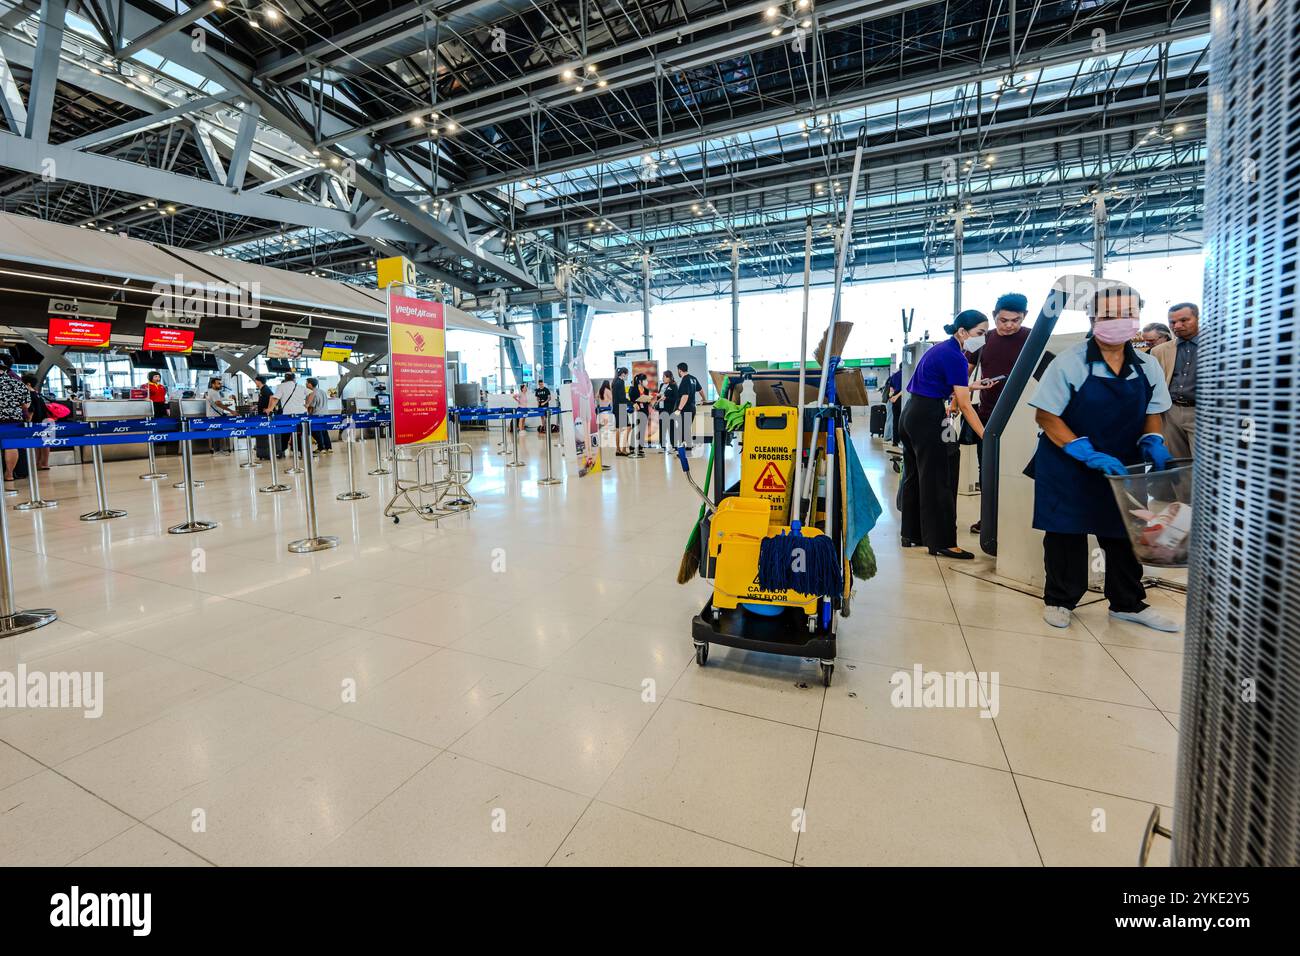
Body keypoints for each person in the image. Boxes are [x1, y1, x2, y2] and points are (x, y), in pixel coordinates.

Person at [1029, 283, 1179, 633]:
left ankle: (1128, 603)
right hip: (1067, 461)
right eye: (1109, 315)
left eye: (1127, 314)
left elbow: (1153, 411)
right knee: (1066, 532)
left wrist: (1153, 439)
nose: (1118, 321)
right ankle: (1061, 600)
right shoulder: (1070, 361)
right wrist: (1084, 451)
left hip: (1123, 464)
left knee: (1124, 533)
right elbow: (1047, 416)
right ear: (1093, 318)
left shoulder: (1146, 365)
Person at [898, 309, 990, 559]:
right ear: (962, 331)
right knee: (941, 477)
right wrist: (987, 436)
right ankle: (943, 542)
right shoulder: (956, 356)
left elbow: (940, 382)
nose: (982, 338)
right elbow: (965, 404)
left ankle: (912, 533)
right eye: (979, 333)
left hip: (910, 415)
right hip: (929, 417)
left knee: (916, 475)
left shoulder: (940, 349)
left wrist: (973, 384)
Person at [968, 292, 1032, 533]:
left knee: (1018, 471)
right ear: (994, 317)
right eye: (1003, 320)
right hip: (988, 416)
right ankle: (989, 520)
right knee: (988, 471)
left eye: (1015, 320)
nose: (1009, 325)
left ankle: (1017, 519)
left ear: (1024, 317)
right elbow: (965, 370)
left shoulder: (1033, 337)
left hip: (1024, 417)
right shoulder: (984, 340)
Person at [1151, 302, 1198, 460]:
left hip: (1203, 413)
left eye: (1184, 320)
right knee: (1176, 465)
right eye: (1172, 322)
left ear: (1198, 319)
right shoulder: (1159, 351)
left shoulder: (1218, 345)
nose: (1177, 325)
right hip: (1170, 413)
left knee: (1204, 466)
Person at [0, 365, 30, 483]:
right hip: (13, 418)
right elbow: (26, 405)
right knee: (11, 445)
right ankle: (9, 474)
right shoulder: (17, 383)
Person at [274, 372, 307, 457]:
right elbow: (312, 393)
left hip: (287, 414)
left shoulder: (281, 386)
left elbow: (274, 398)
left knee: (285, 432)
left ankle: (281, 450)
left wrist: (270, 409)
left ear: (285, 379)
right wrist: (307, 404)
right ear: (294, 378)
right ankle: (302, 451)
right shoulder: (301, 387)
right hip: (300, 413)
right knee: (300, 433)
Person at [675, 361, 703, 448]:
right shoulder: (693, 378)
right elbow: (701, 390)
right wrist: (704, 399)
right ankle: (688, 445)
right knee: (687, 428)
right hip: (692, 407)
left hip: (685, 408)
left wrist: (679, 409)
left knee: (683, 429)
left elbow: (685, 396)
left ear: (680, 370)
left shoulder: (685, 380)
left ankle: (684, 448)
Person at [204, 376, 234, 454]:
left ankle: (217, 449)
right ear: (213, 384)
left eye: (220, 383)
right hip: (215, 416)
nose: (220, 385)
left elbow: (216, 404)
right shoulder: (214, 392)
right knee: (217, 433)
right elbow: (218, 404)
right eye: (218, 384)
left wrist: (225, 406)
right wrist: (231, 410)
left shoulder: (211, 391)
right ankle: (218, 450)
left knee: (217, 432)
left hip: (213, 415)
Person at [254, 373, 279, 460]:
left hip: (265, 415)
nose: (255, 382)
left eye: (255, 381)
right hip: (262, 414)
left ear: (259, 381)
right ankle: (264, 451)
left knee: (266, 432)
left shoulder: (265, 388)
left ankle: (268, 451)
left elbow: (271, 396)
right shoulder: (262, 389)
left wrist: (269, 409)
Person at [305, 377, 332, 452]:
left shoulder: (312, 393)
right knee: (324, 431)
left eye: (307, 383)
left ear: (310, 384)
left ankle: (321, 447)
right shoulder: (322, 391)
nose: (306, 384)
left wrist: (309, 415)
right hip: (325, 413)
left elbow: (311, 407)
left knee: (316, 431)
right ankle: (328, 447)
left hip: (316, 415)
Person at [656, 370, 679, 451]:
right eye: (662, 377)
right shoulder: (662, 385)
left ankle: (674, 445)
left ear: (669, 377)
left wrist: (666, 398)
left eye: (664, 377)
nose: (663, 378)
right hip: (661, 410)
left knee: (671, 427)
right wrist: (658, 396)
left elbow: (676, 398)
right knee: (662, 427)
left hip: (670, 410)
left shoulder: (673, 386)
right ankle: (662, 445)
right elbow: (659, 396)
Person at [611, 367, 631, 456]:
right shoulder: (621, 382)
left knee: (619, 428)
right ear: (623, 374)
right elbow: (622, 398)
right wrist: (631, 403)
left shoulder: (615, 382)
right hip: (621, 407)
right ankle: (623, 449)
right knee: (628, 427)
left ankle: (618, 449)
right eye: (627, 374)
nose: (627, 376)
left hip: (616, 407)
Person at [883, 368, 903, 445]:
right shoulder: (905, 374)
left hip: (894, 400)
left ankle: (895, 441)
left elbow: (891, 390)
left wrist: (891, 397)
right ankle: (902, 441)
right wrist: (897, 396)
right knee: (903, 419)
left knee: (895, 419)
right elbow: (905, 388)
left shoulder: (894, 376)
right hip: (901, 398)